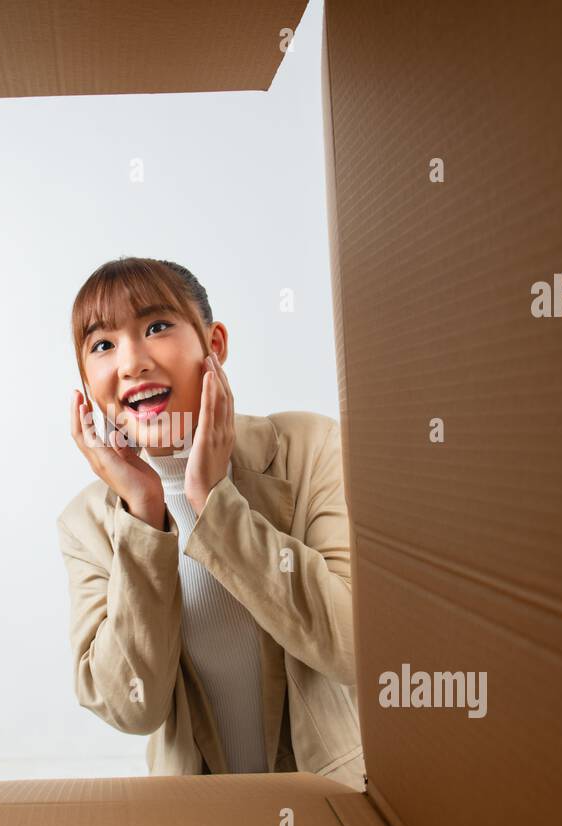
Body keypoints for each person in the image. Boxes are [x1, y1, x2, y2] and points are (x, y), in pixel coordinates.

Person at [57, 256, 367, 791]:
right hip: (197, 825)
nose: (132, 362)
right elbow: (130, 706)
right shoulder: (87, 522)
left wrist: (212, 500)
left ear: (213, 344)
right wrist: (143, 514)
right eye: (102, 345)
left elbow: (354, 648)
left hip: (334, 804)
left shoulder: (313, 449)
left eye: (156, 327)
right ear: (86, 383)